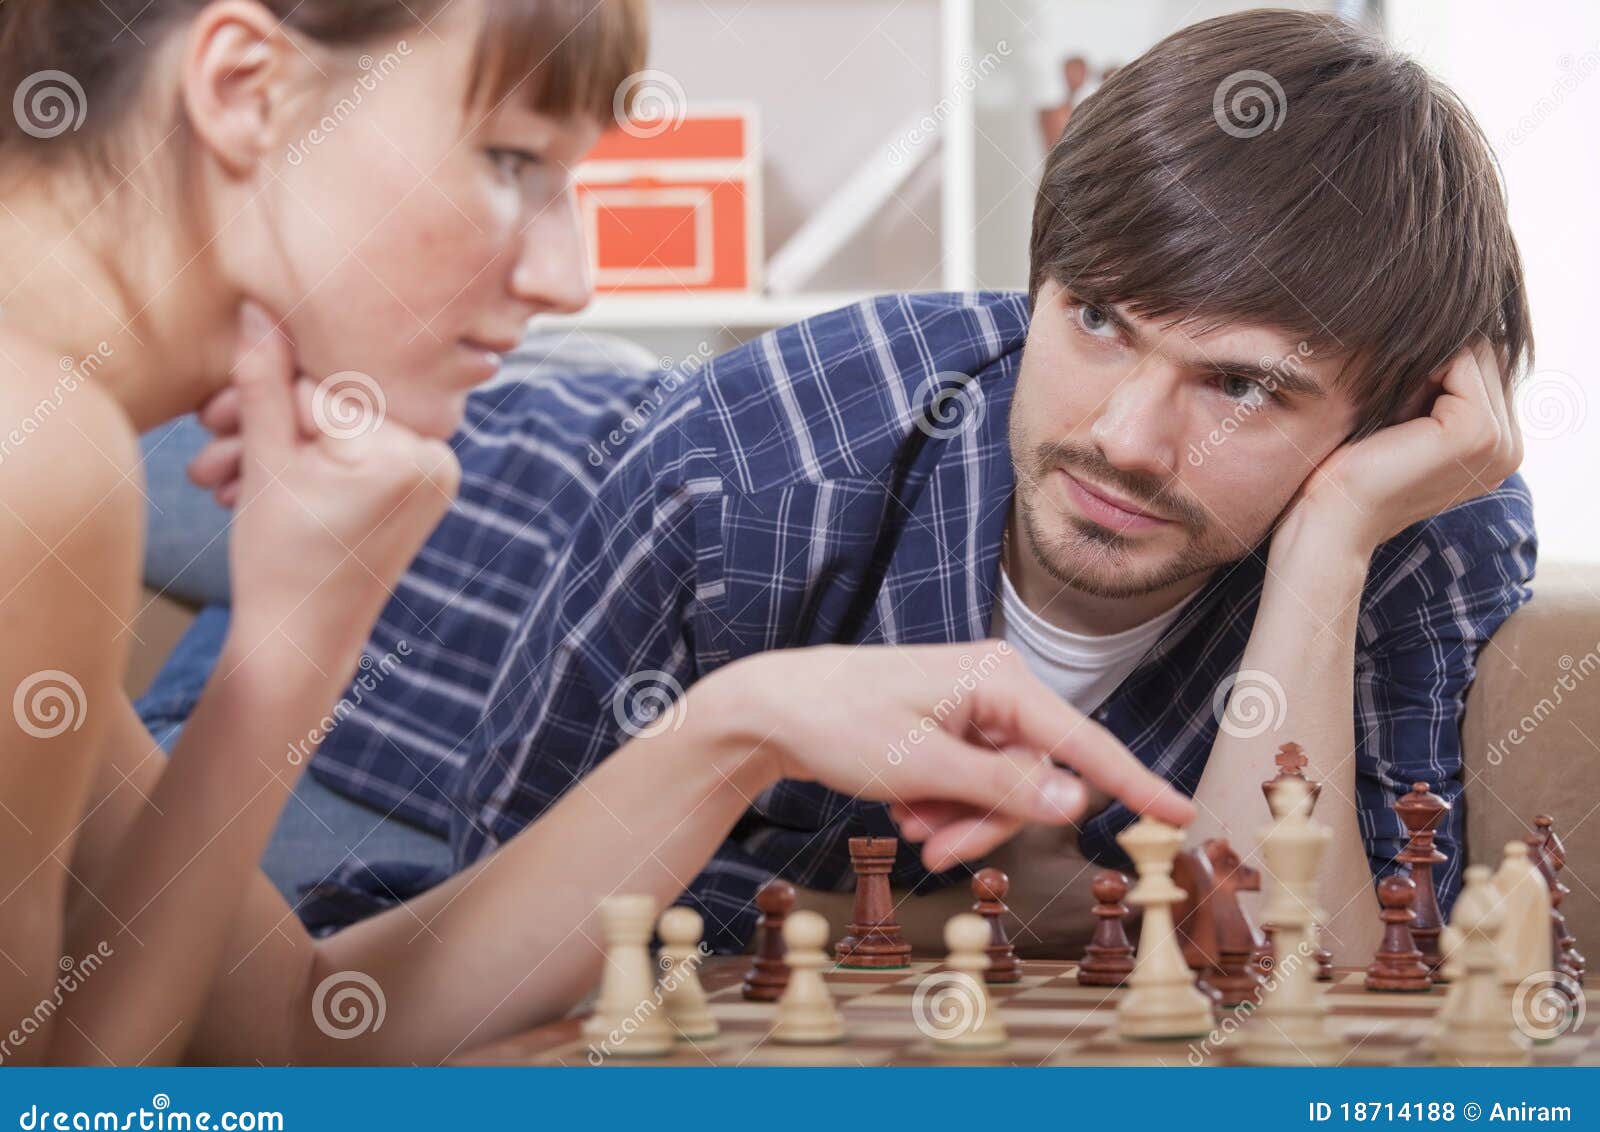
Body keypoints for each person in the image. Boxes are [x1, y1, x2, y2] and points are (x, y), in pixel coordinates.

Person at [141, 8, 1535, 967]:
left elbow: (1314, 976)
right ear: (1033, 286)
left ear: (1386, 418)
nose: (1121, 437)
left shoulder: (1408, 514)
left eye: (1240, 386)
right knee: (144, 437)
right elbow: (533, 899)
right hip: (477, 520)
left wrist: (1329, 544)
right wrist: (981, 916)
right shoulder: (756, 459)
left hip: (567, 439)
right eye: (1096, 319)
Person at [0, 0, 1192, 1067]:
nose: (571, 277)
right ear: (243, 90)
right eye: (509, 158)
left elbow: (295, 1028)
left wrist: (744, 723)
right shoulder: (37, 462)